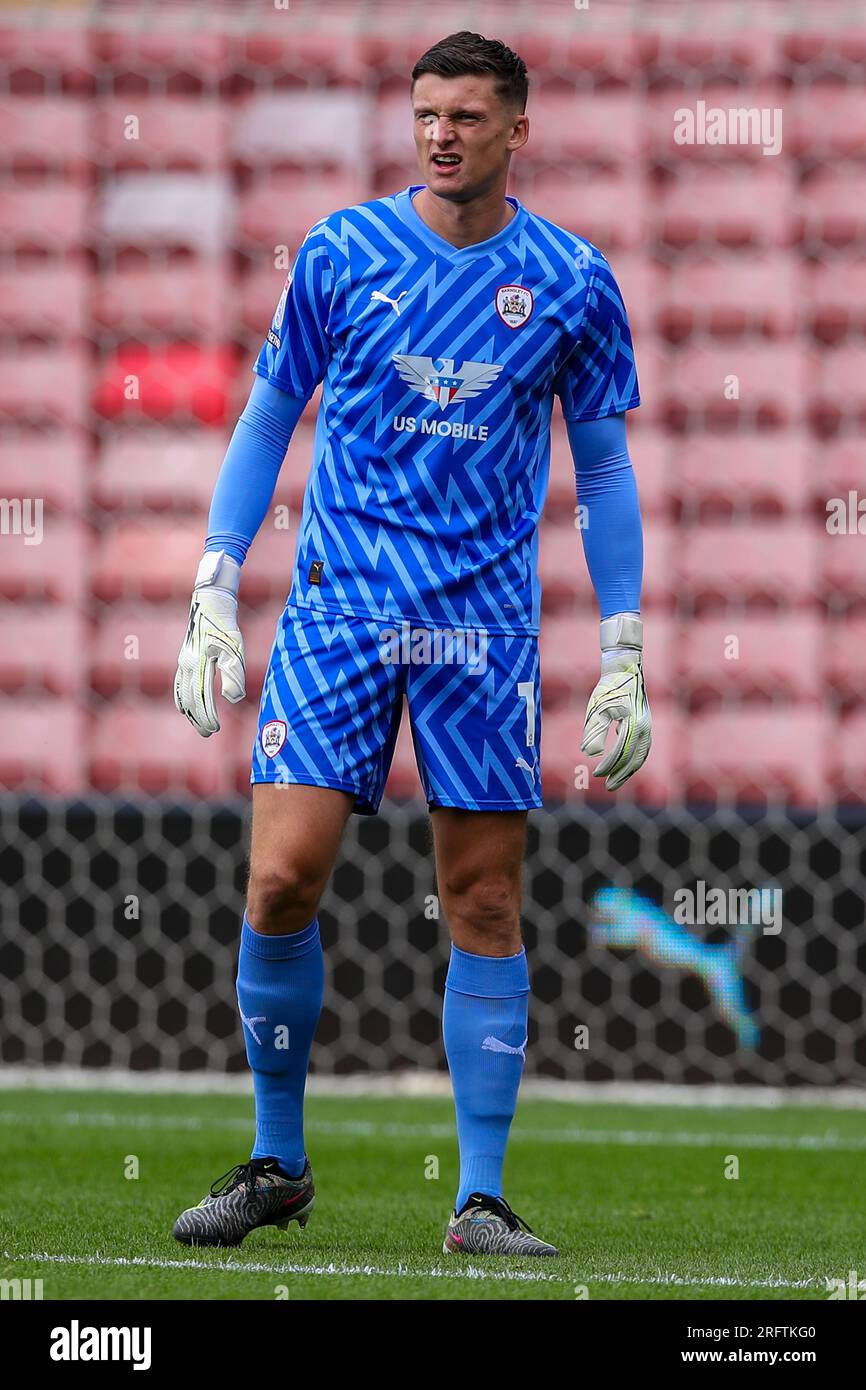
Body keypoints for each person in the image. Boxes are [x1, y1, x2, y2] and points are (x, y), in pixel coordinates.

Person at [172, 30, 650, 1257]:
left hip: (480, 626)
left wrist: (625, 645)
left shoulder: (570, 279)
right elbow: (269, 410)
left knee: (483, 897)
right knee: (280, 879)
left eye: (468, 115)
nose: (442, 133)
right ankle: (277, 1160)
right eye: (426, 111)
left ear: (515, 130)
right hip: (338, 607)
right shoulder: (341, 254)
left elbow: (600, 465)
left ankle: (477, 1197)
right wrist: (215, 581)